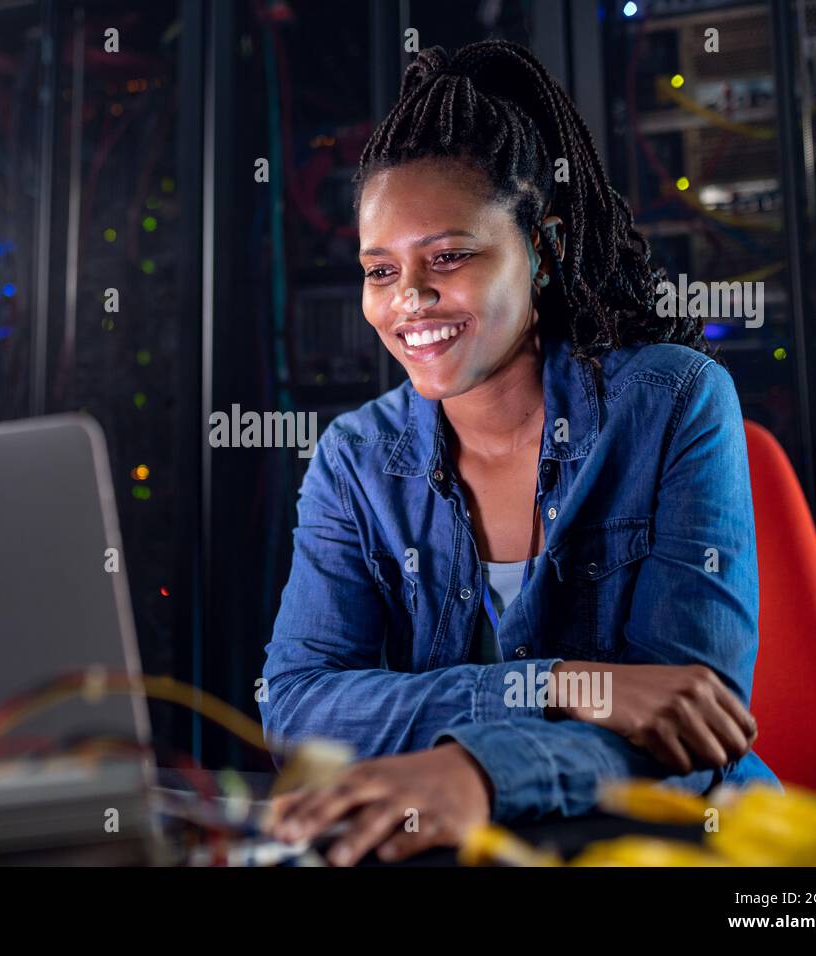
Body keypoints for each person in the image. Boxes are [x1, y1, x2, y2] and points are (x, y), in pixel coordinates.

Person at [259, 40, 780, 866]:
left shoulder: (675, 403)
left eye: (450, 257)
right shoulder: (355, 460)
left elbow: (692, 730)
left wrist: (480, 773)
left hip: (671, 845)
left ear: (542, 246)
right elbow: (296, 704)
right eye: (379, 269)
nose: (409, 300)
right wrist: (562, 685)